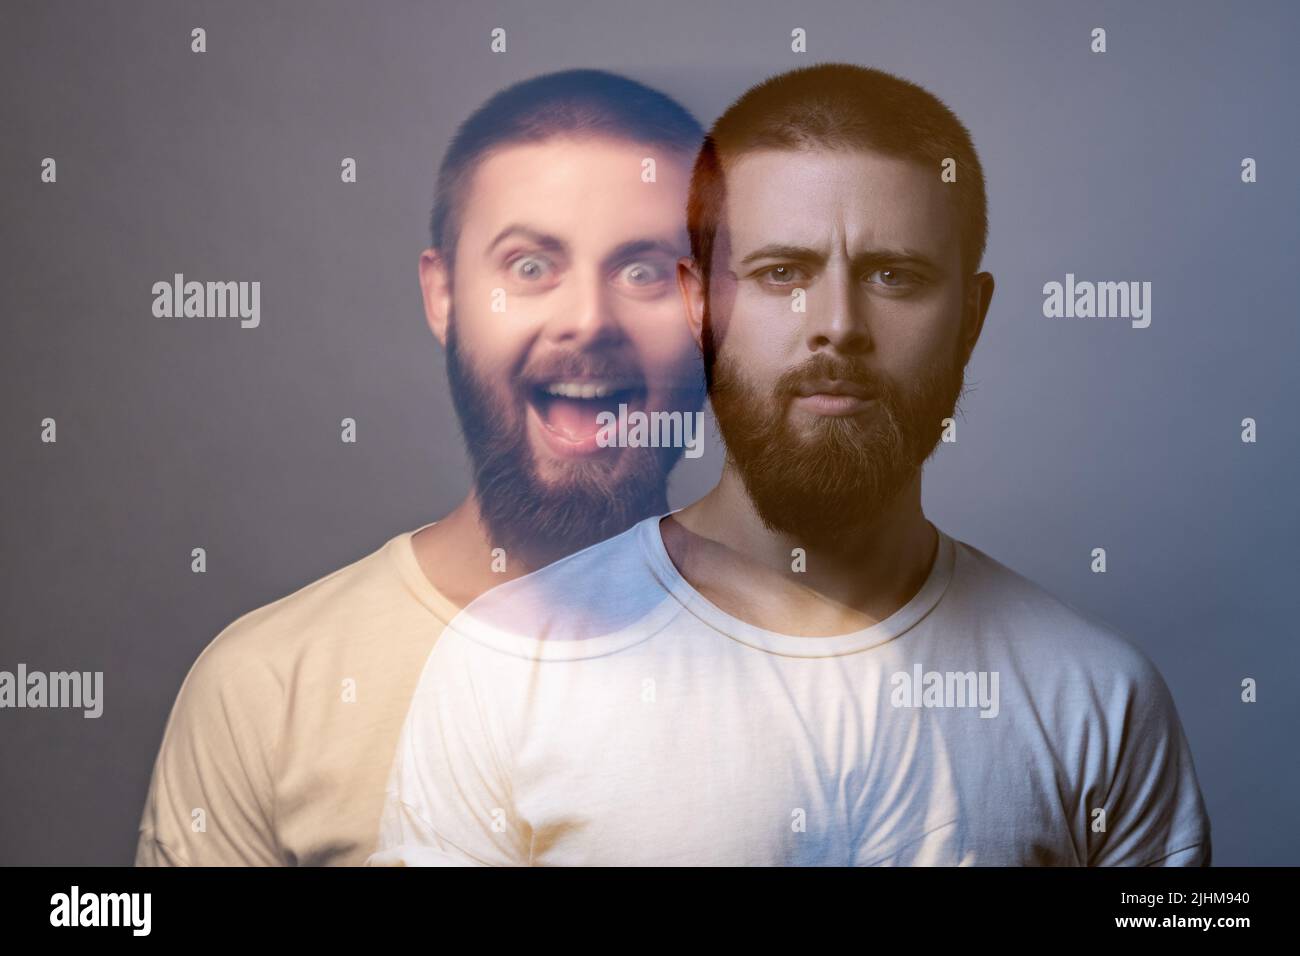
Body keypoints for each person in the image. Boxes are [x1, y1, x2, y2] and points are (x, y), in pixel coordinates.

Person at [371, 63, 1211, 866]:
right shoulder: (504, 669)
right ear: (700, 304)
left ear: (972, 318)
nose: (837, 325)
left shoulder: (1099, 699)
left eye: (895, 274)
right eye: (781, 273)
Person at [135, 69, 706, 865]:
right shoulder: (265, 688)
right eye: (531, 267)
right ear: (443, 297)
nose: (587, 321)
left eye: (644, 270)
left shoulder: (836, 670)